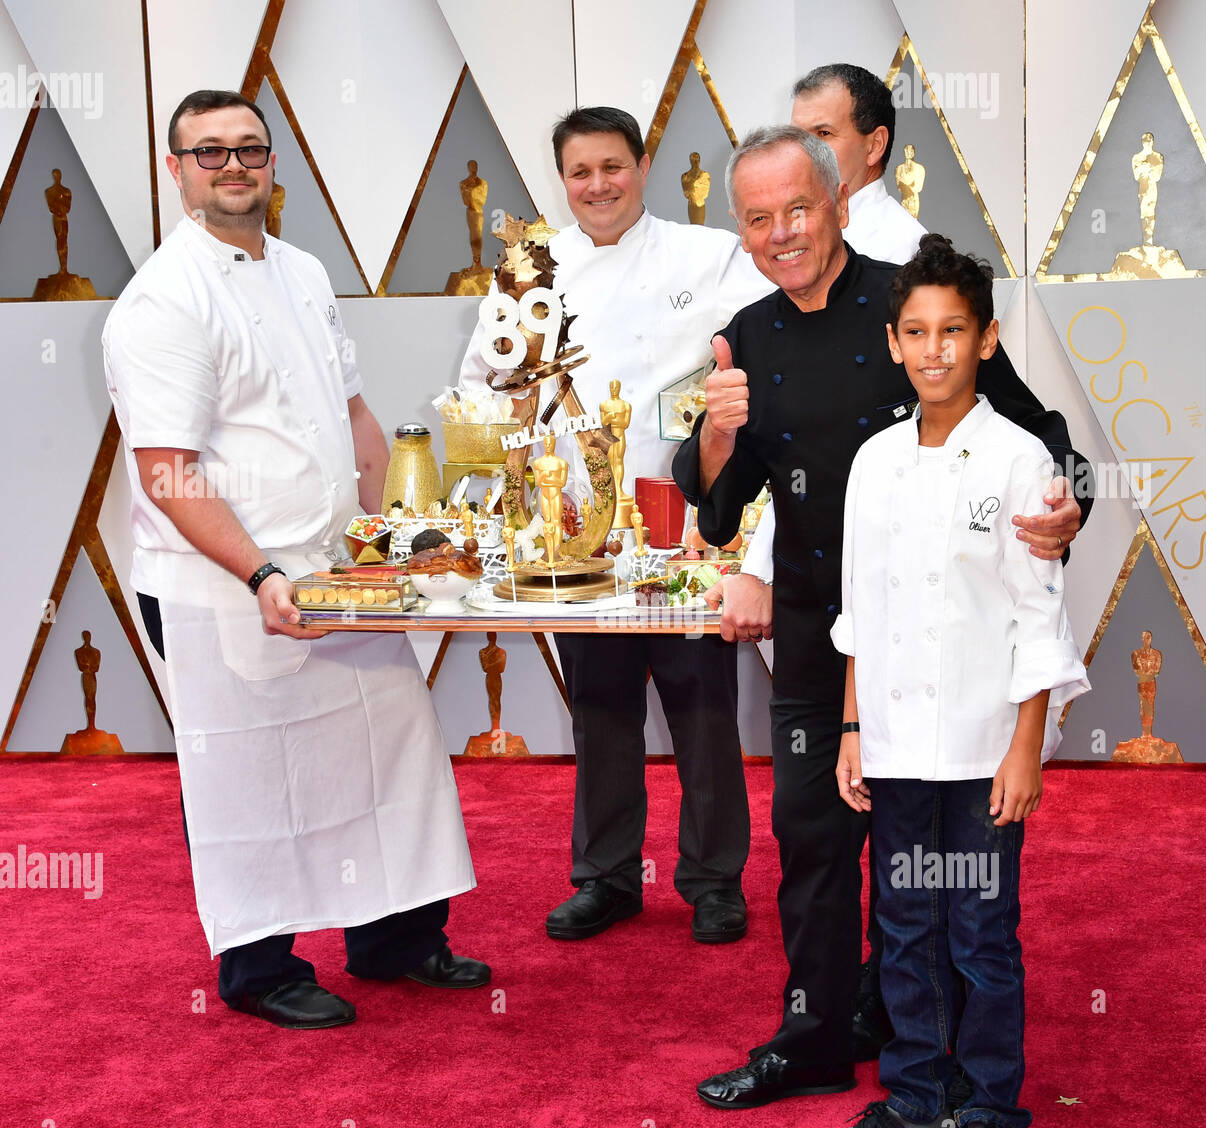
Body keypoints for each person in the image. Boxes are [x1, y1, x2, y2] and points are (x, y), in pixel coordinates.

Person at [672, 125, 1093, 1108]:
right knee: (814, 841)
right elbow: (716, 507)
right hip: (831, 640)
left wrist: (1067, 502)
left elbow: (1042, 441)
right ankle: (814, 1034)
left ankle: (926, 1047)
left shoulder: (909, 309)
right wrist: (717, 430)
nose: (781, 232)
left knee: (937, 870)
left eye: (797, 209)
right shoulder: (748, 335)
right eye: (758, 218)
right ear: (742, 230)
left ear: (838, 204)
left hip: (949, 650)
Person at [104, 89, 486, 1030]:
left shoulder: (305, 270)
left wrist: (391, 531)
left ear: (272, 163)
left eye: (250, 149)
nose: (233, 166)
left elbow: (352, 414)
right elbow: (168, 472)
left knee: (386, 742)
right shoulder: (162, 300)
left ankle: (396, 939)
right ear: (176, 170)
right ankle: (260, 967)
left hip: (334, 570)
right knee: (250, 773)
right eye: (210, 153)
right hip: (227, 586)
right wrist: (262, 575)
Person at [794, 235, 1089, 1128]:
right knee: (904, 923)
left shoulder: (1018, 459)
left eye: (952, 331)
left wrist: (1023, 747)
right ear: (892, 342)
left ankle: (994, 1116)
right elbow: (858, 612)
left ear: (985, 338)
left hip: (979, 751)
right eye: (915, 331)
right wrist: (848, 728)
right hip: (892, 745)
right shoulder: (873, 462)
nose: (932, 350)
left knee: (980, 933)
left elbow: (1035, 612)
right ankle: (918, 1105)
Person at [458, 106, 771, 944]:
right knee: (598, 708)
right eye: (580, 172)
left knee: (702, 705)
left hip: (680, 522)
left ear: (642, 165)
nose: (597, 185)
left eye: (612, 167)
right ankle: (605, 877)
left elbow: (754, 359)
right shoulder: (531, 270)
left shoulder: (710, 257)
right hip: (575, 531)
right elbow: (487, 385)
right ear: (561, 180)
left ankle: (713, 879)